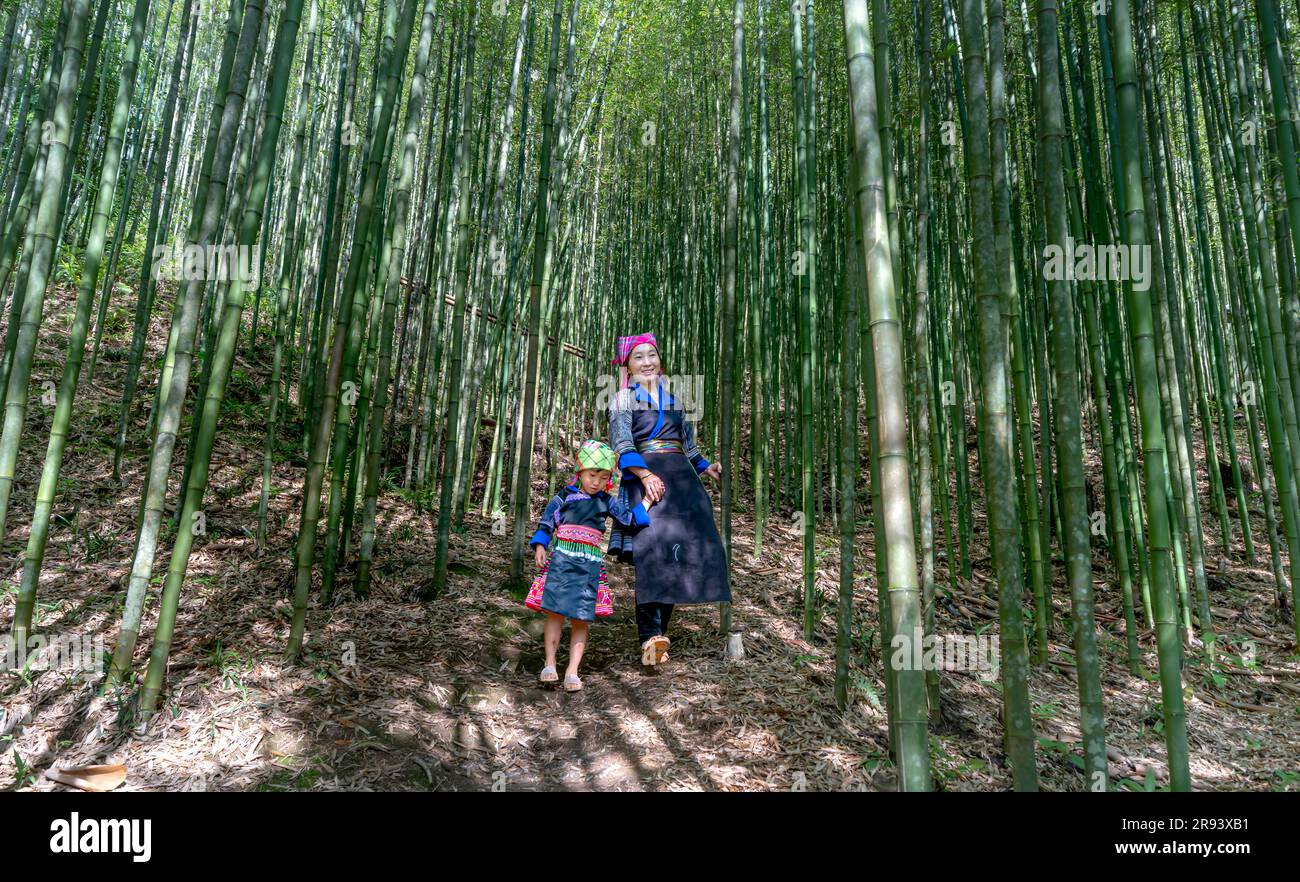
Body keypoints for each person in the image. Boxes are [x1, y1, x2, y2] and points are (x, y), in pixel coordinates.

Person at [606, 333, 730, 668]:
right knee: (653, 555)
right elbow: (622, 445)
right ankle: (650, 636)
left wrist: (709, 468)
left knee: (678, 554)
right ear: (627, 366)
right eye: (638, 357)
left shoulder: (673, 401)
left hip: (682, 484)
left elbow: (688, 448)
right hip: (646, 481)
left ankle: (659, 639)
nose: (647, 362)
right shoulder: (622, 400)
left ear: (660, 361)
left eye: (652, 355)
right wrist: (646, 477)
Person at [528, 440, 654, 692]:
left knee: (580, 618)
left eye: (603, 476)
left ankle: (572, 672)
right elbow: (546, 523)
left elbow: (629, 519)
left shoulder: (607, 501)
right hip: (561, 561)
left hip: (589, 565)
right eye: (591, 474)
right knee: (554, 613)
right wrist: (540, 545)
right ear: (581, 471)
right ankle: (549, 664)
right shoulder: (563, 496)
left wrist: (648, 501)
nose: (595, 481)